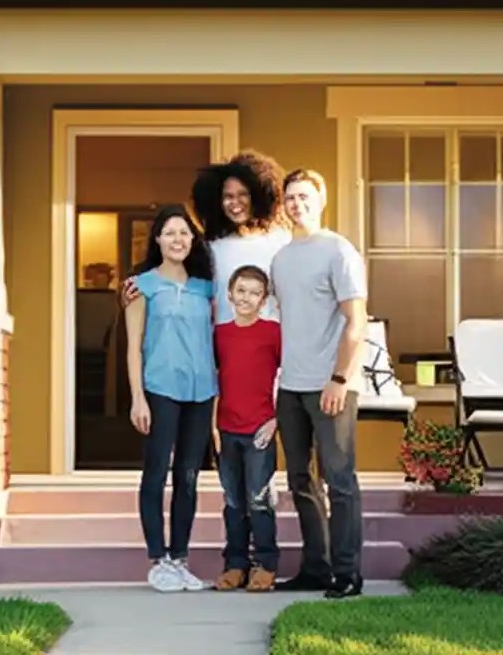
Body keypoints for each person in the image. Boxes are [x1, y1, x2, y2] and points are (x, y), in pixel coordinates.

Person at [268, 169, 369, 599]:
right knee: (299, 480)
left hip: (332, 385)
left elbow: (356, 322)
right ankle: (316, 568)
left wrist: (339, 379)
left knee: (340, 480)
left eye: (304, 196)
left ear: (321, 199)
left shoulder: (339, 251)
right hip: (290, 386)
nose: (297, 204)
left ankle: (348, 574)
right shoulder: (282, 258)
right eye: (290, 197)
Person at [124, 204, 217, 593]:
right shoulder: (141, 286)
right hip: (161, 389)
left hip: (202, 391)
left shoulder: (206, 288)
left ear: (192, 240)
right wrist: (137, 399)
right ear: (158, 239)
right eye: (170, 232)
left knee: (189, 478)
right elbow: (133, 348)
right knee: (157, 473)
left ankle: (180, 559)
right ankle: (158, 558)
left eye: (184, 233)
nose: (178, 239)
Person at [122, 150, 290, 323]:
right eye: (228, 196)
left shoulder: (281, 242)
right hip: (222, 341)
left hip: (271, 341)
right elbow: (177, 280)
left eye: (242, 195)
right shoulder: (212, 247)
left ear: (257, 196)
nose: (235, 203)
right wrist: (140, 289)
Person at [212, 265, 282, 592]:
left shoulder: (272, 333)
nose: (246, 298)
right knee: (233, 503)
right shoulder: (220, 335)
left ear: (264, 299)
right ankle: (235, 564)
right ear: (230, 293)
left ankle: (265, 565)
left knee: (258, 500)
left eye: (254, 293)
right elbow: (213, 381)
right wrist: (213, 427)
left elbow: (290, 377)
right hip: (226, 430)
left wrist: (276, 419)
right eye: (241, 291)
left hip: (260, 431)